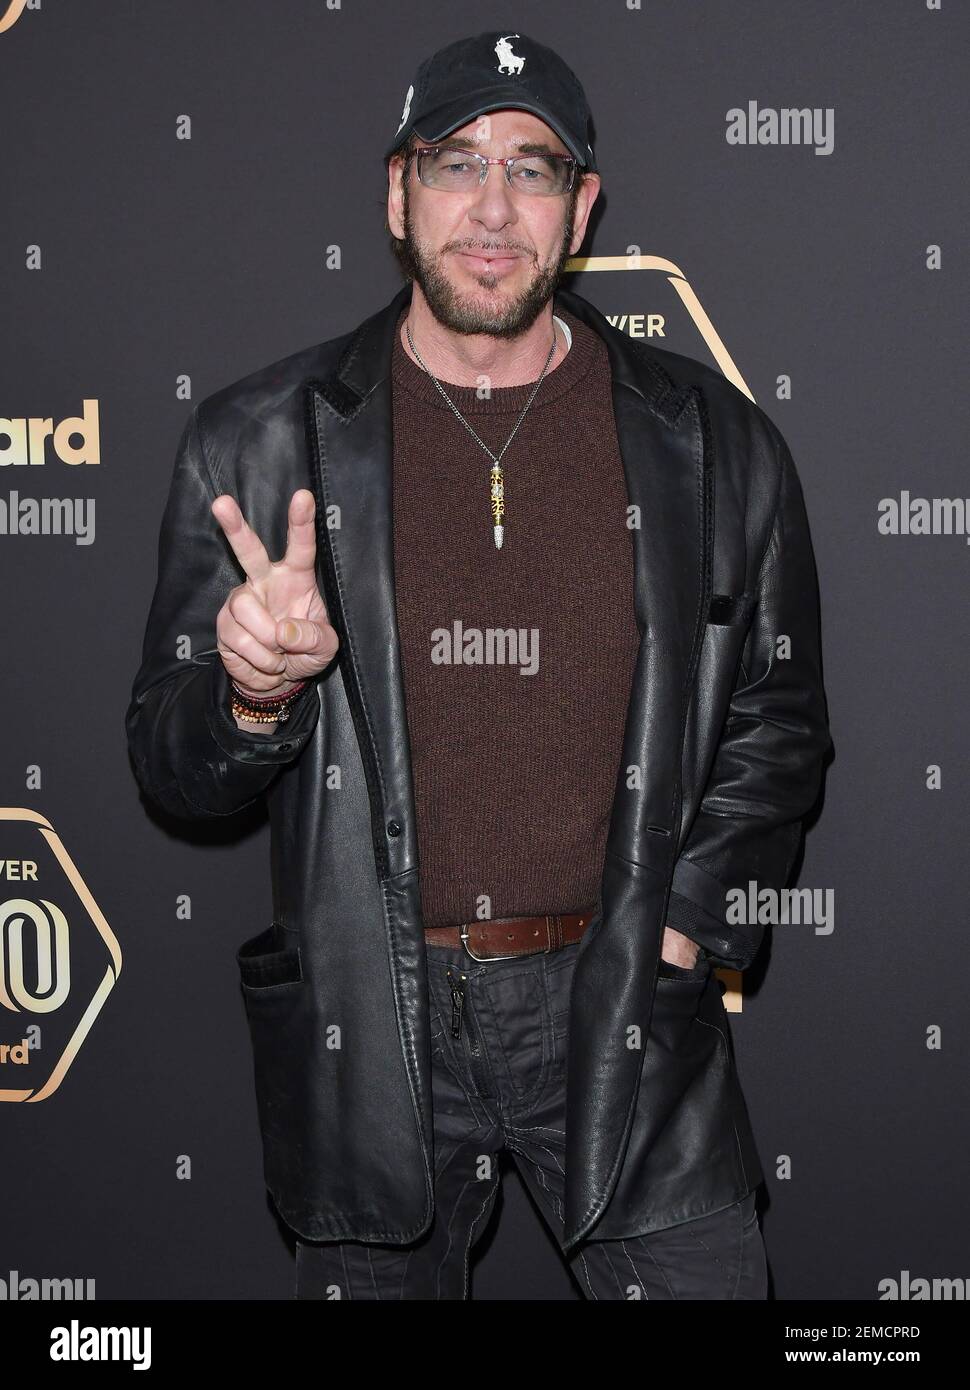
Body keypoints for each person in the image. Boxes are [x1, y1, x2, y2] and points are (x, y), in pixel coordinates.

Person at [125, 29, 832, 1300]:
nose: (493, 209)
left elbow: (774, 719)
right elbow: (169, 762)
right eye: (455, 164)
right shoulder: (257, 441)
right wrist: (250, 693)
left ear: (581, 209)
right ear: (396, 196)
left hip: (625, 1000)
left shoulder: (715, 443)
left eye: (532, 168)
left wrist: (682, 931)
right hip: (368, 1018)